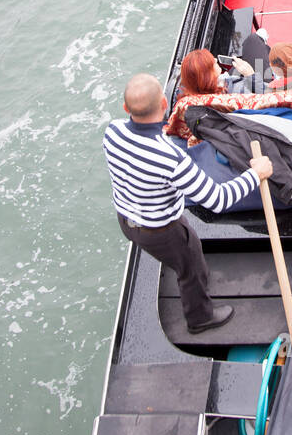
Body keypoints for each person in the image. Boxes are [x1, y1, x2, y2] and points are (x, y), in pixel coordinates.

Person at [103, 72, 273, 334]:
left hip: (125, 219)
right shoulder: (170, 157)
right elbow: (217, 199)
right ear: (163, 105)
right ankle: (200, 319)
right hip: (161, 230)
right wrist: (256, 174)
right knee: (190, 265)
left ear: (126, 108)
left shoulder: (111, 132)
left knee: (183, 257)